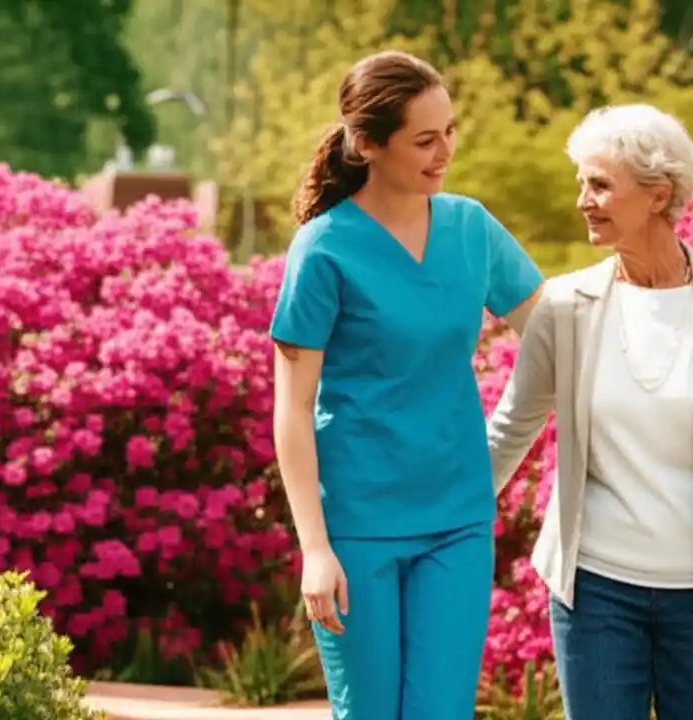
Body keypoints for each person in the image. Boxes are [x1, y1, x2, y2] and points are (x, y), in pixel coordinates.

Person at [486, 104, 693, 720]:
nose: (583, 199)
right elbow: (509, 430)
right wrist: (440, 516)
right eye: (581, 182)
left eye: (600, 184)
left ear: (659, 194)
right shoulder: (563, 307)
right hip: (596, 591)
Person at [268, 50, 545, 719]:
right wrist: (314, 549)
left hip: (457, 520)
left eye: (449, 131)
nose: (444, 150)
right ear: (367, 144)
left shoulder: (471, 228)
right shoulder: (324, 249)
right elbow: (293, 410)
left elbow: (560, 326)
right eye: (424, 139)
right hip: (356, 526)